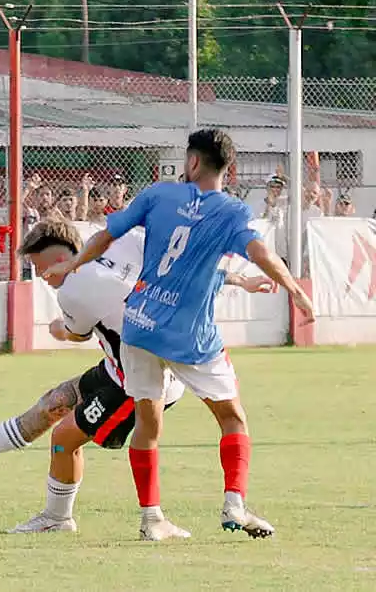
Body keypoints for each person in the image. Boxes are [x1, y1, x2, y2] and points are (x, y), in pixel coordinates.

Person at [43, 128, 315, 542]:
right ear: (229, 168)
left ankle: (152, 518)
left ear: (192, 162)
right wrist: (294, 289)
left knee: (148, 425)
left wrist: (73, 264)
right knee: (231, 417)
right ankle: (234, 505)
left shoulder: (158, 195)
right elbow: (261, 252)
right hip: (190, 337)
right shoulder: (230, 212)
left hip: (139, 328)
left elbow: (105, 235)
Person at [0, 220, 276, 533]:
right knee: (54, 402)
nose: (42, 277)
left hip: (135, 383)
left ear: (61, 257)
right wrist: (241, 280)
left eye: (40, 267)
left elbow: (75, 334)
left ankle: (60, 517)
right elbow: (187, 266)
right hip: (118, 367)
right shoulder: (122, 243)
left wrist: (60, 329)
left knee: (64, 439)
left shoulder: (75, 288)